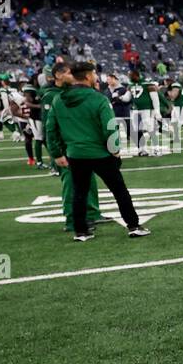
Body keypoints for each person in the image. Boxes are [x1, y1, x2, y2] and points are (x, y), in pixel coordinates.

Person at [45, 62, 150, 242]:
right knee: (119, 190)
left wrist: (56, 153)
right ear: (87, 76)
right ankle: (133, 226)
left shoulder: (58, 99)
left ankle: (81, 231)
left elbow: (51, 129)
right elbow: (110, 129)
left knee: (79, 192)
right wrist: (115, 150)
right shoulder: (99, 99)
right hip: (100, 154)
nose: (96, 77)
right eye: (93, 74)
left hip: (75, 154)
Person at [41, 61, 105, 232]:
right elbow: (49, 129)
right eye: (70, 73)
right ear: (58, 76)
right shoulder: (51, 95)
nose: (74, 77)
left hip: (80, 148)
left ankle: (92, 214)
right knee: (72, 185)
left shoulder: (71, 93)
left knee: (87, 181)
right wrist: (56, 153)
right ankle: (72, 219)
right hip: (66, 150)